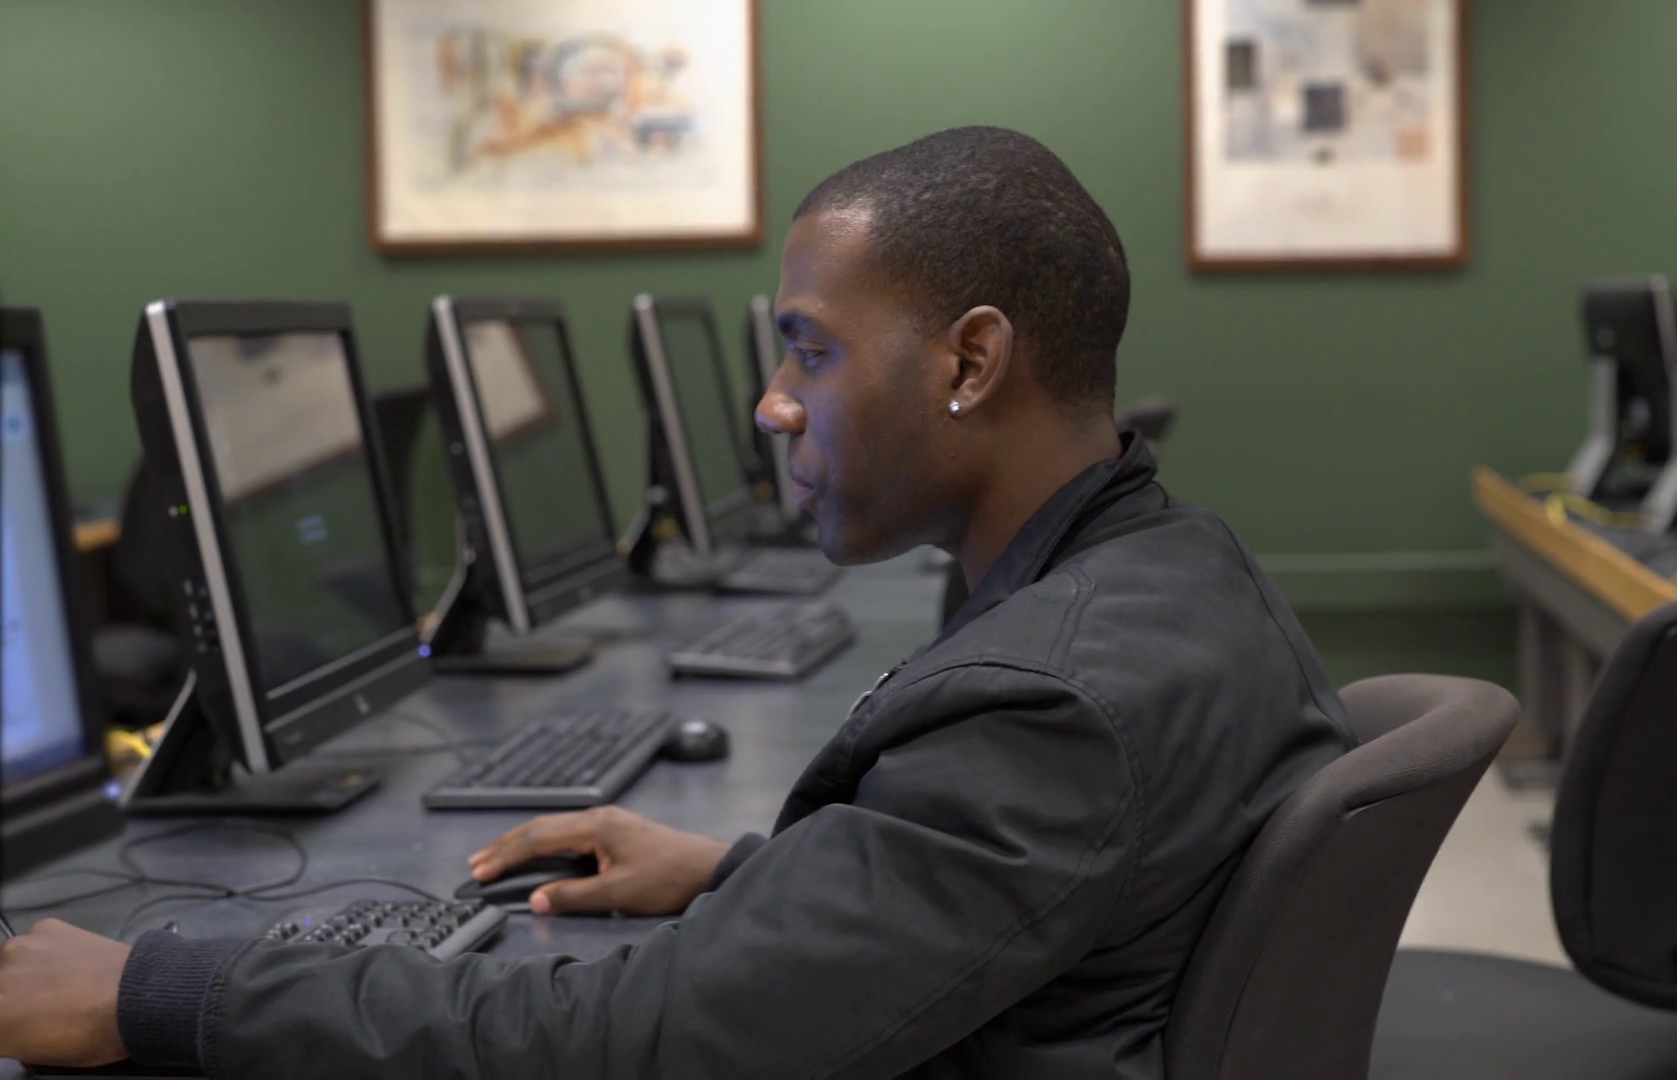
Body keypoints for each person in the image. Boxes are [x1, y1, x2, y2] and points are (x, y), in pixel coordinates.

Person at [0, 126, 1355, 1079]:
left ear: (970, 363)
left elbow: (634, 1044)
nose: (773, 404)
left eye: (810, 353)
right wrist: (750, 879)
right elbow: (1026, 901)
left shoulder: (1046, 705)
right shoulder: (1182, 568)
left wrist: (159, 990)